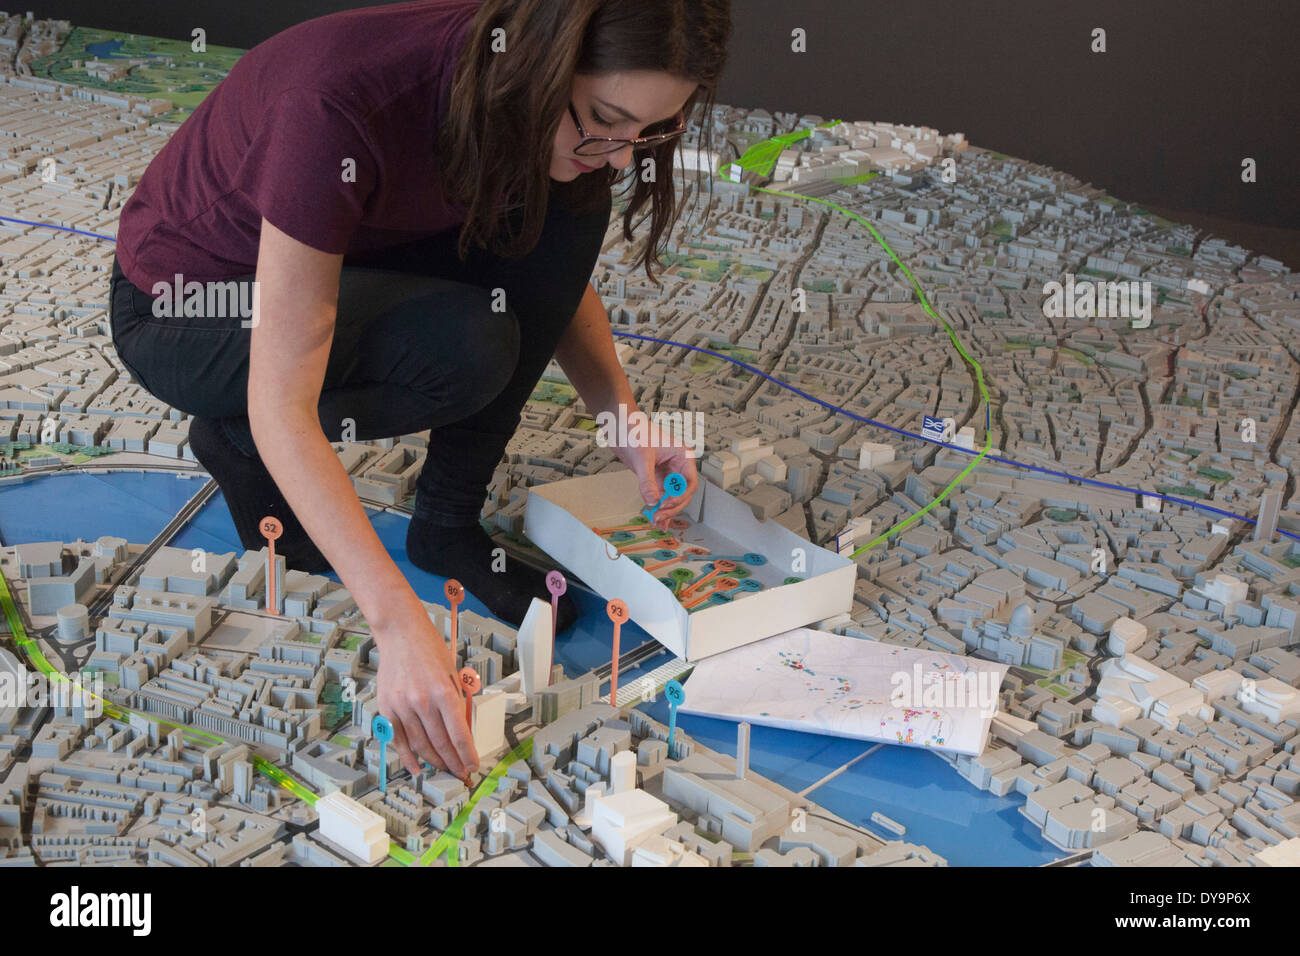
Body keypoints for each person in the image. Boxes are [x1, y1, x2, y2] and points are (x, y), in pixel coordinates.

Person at [108, 0, 731, 782]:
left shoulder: (522, 95)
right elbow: (282, 396)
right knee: (466, 347)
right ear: (543, 62)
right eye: (606, 120)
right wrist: (398, 622)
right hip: (193, 308)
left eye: (647, 132)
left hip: (349, 258)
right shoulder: (334, 110)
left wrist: (623, 417)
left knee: (570, 212)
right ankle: (228, 442)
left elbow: (550, 276)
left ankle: (445, 526)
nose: (619, 154)